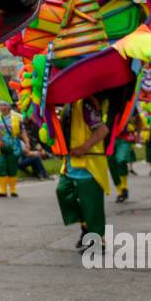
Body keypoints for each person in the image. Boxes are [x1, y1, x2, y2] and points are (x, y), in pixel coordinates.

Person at [55, 97, 110, 250]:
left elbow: (102, 130)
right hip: (69, 164)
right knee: (63, 192)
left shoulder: (86, 104)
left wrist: (84, 148)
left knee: (92, 205)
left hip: (89, 165)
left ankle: (98, 239)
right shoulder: (67, 105)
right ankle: (86, 227)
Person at [0, 100, 27, 198]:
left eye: (5, 105)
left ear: (8, 107)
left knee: (12, 168)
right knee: (1, 166)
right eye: (1, 105)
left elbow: (22, 131)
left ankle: (13, 190)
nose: (3, 107)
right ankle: (3, 190)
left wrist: (27, 142)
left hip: (13, 147)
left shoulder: (16, 118)